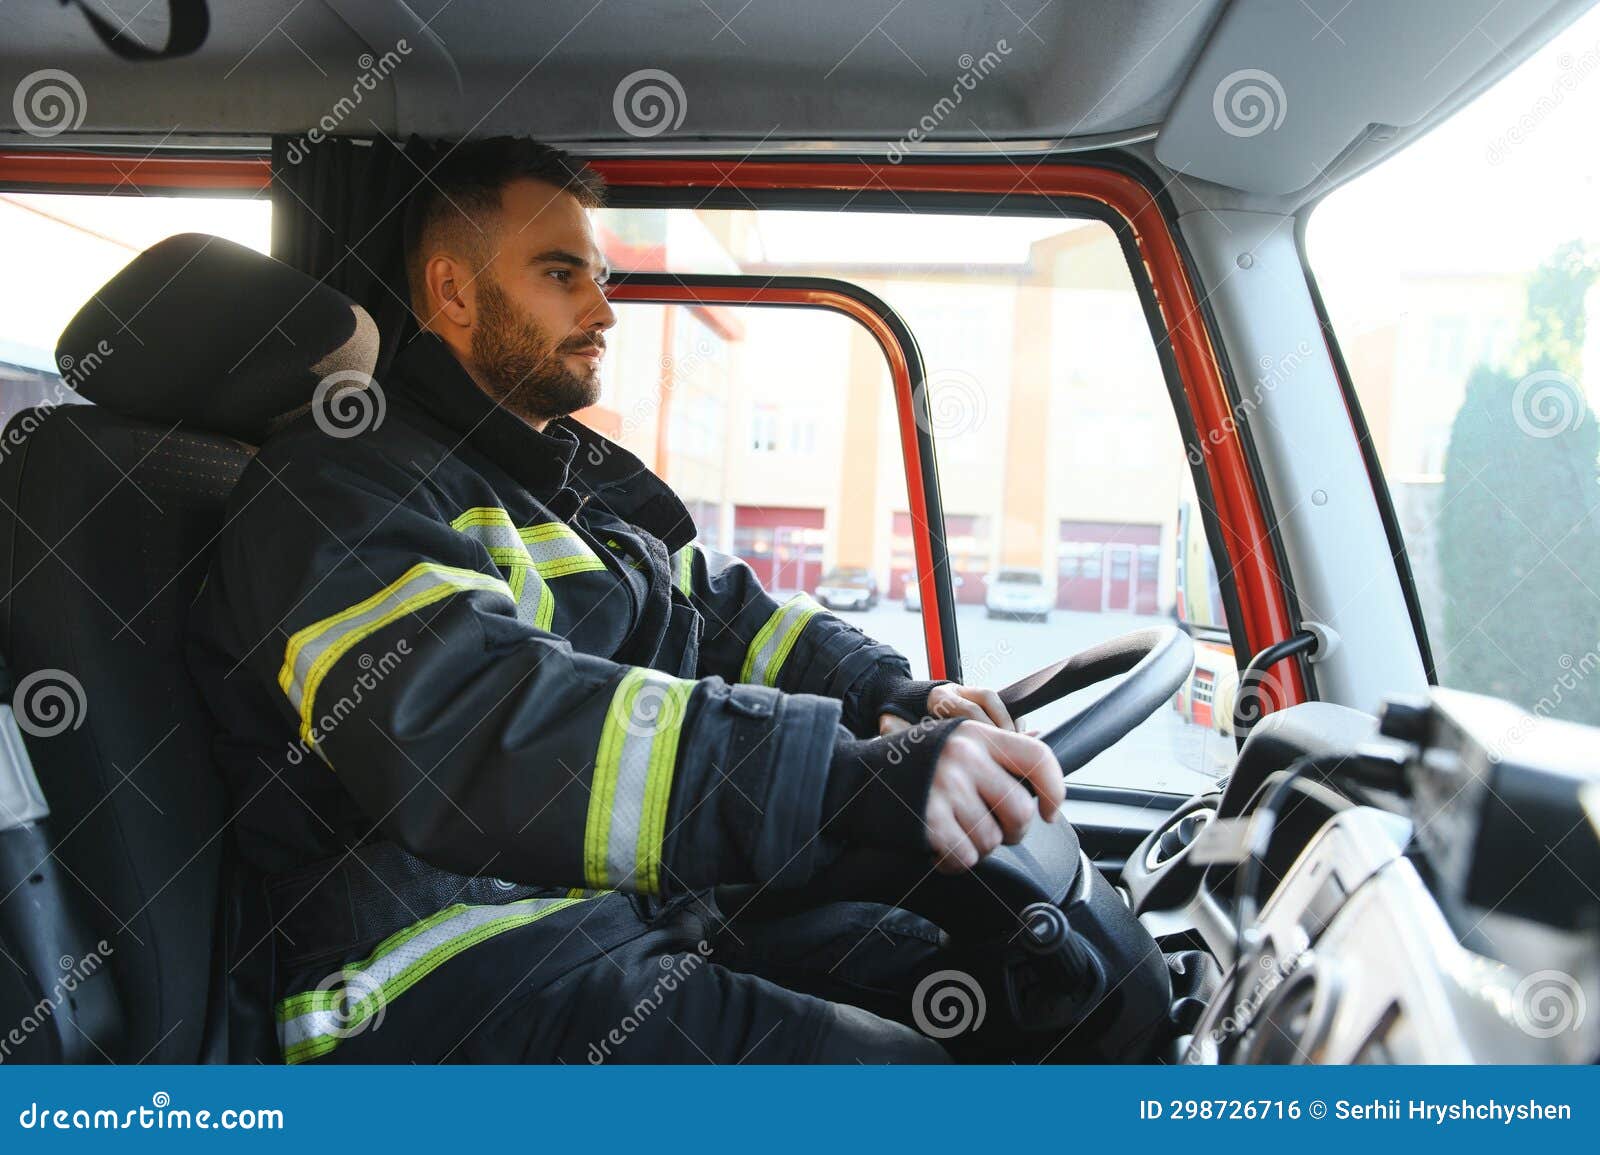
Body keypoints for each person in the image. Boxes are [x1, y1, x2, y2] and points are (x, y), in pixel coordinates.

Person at [186, 136, 1063, 1064]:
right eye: (561, 273)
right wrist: (827, 778)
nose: (604, 308)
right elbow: (475, 727)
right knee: (906, 1083)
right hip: (432, 977)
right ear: (450, 291)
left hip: (606, 916)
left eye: (600, 277)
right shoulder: (336, 486)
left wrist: (893, 697)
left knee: (962, 982)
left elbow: (719, 610)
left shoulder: (561, 486)